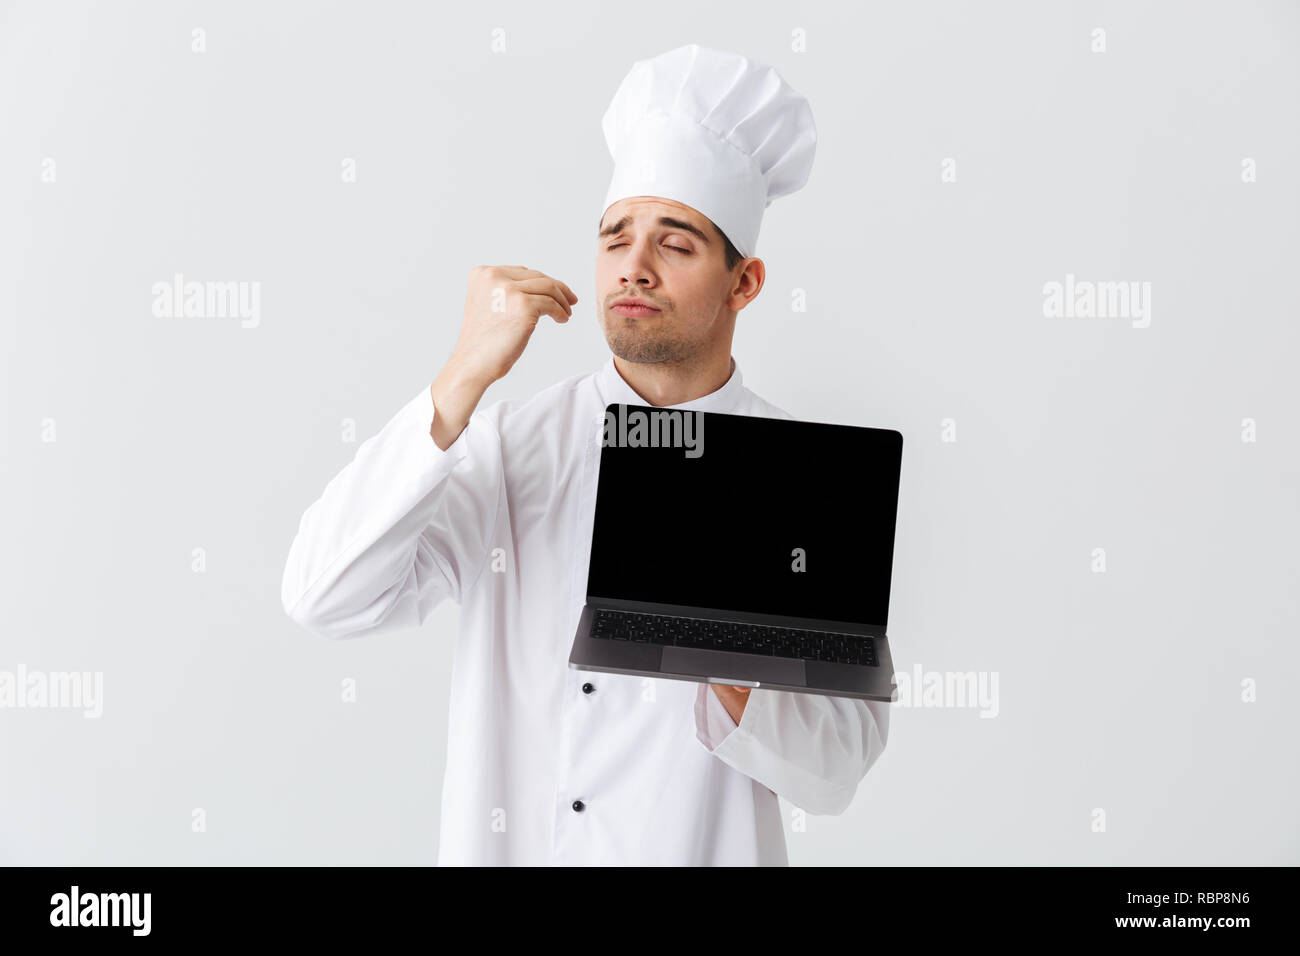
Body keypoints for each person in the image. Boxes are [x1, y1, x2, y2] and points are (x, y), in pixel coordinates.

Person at [281, 44, 888, 866]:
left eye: (674, 244)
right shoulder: (508, 447)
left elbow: (836, 771)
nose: (633, 267)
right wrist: (461, 377)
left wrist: (725, 651)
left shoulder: (802, 484)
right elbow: (323, 597)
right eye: (614, 239)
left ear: (743, 283)